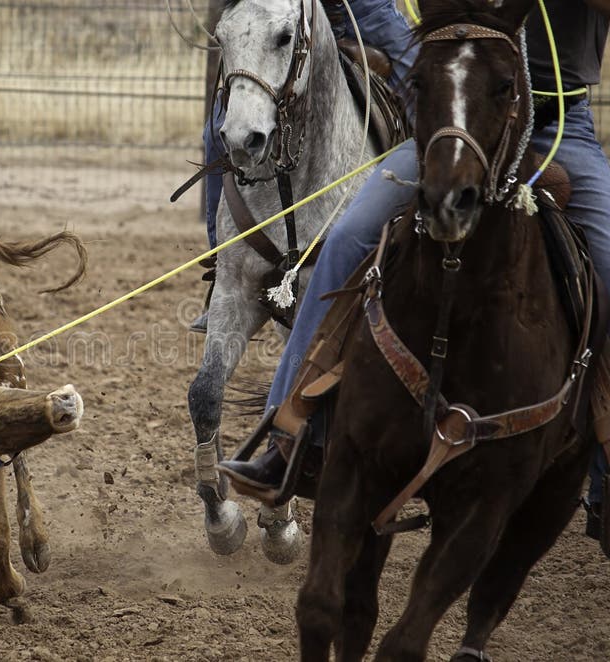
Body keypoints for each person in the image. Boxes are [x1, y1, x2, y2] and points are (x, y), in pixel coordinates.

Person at [218, 0, 610, 544]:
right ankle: (286, 439)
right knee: (348, 239)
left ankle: (604, 477)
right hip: (456, 116)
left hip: (556, 121)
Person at [189, 0, 418, 333]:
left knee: (426, 104)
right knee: (217, 133)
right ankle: (224, 267)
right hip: (286, 13)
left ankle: (430, 241)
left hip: (364, 11)